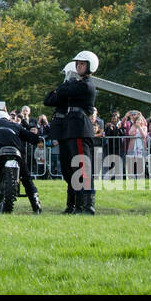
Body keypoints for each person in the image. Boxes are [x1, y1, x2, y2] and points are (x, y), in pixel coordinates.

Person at [45, 51, 99, 214]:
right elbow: (56, 95)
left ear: (90, 66)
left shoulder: (86, 84)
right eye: (77, 64)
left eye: (82, 64)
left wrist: (64, 87)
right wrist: (65, 87)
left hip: (79, 128)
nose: (78, 66)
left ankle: (87, 205)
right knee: (73, 168)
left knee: (82, 167)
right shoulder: (79, 84)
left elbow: (63, 91)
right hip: (73, 127)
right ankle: (76, 204)